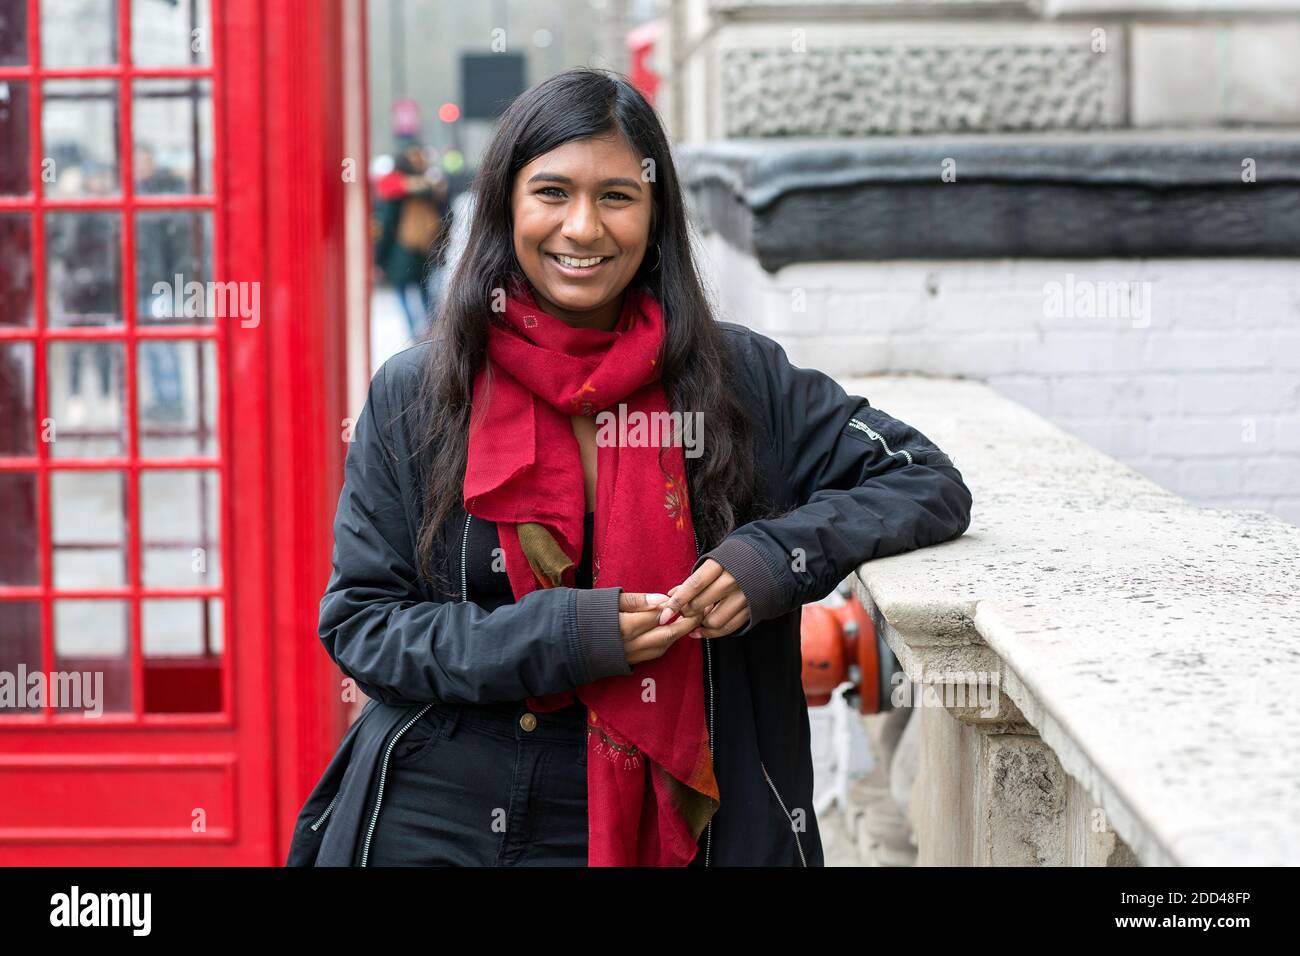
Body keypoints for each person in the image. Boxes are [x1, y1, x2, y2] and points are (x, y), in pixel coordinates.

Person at [286, 68, 972, 867]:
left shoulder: (735, 378)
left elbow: (924, 478)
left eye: (616, 195)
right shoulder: (422, 390)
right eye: (552, 193)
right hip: (440, 810)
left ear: (657, 213)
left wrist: (774, 557)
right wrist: (561, 635)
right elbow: (363, 623)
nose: (583, 228)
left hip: (675, 816)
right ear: (508, 206)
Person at [372, 141, 447, 341]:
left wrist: (378, 257)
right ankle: (431, 331)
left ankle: (415, 332)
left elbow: (386, 226)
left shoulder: (394, 188)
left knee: (402, 291)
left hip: (401, 248)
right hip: (425, 245)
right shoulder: (430, 185)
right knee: (424, 289)